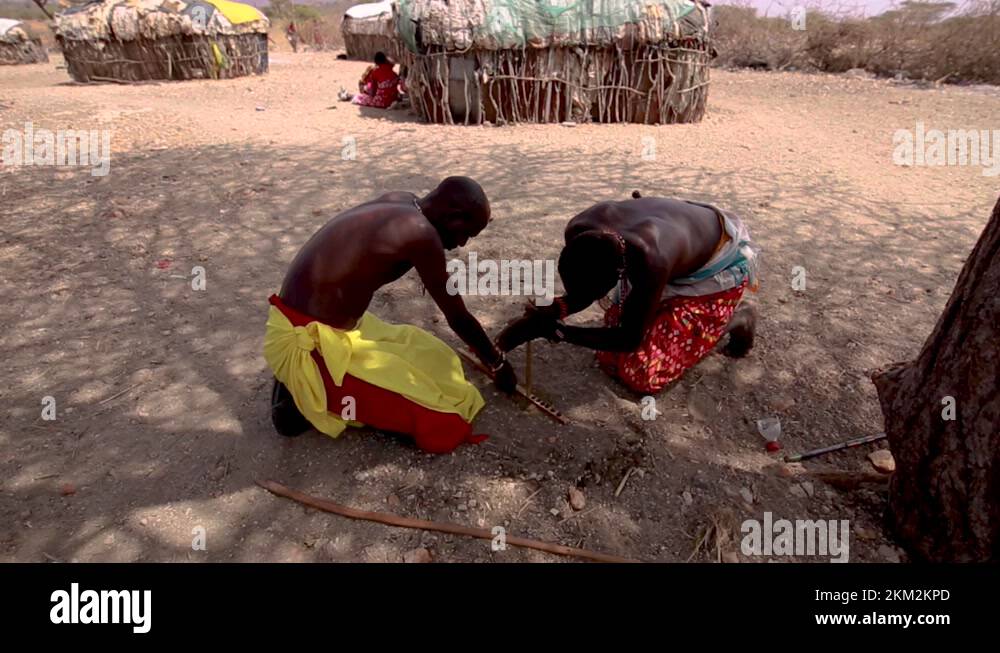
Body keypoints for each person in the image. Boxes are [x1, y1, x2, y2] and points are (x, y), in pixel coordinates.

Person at [264, 177, 517, 453]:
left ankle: (305, 379)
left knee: (436, 357)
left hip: (324, 323)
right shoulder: (421, 233)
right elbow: (458, 317)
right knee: (439, 418)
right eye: (465, 233)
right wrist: (498, 363)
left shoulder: (403, 200)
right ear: (452, 215)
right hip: (312, 335)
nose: (462, 243)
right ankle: (298, 391)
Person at [496, 194, 759, 394]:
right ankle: (669, 313)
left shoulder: (651, 260)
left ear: (621, 275)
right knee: (609, 356)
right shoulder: (581, 230)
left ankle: (736, 318)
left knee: (642, 375)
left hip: (716, 261)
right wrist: (554, 310)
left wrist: (559, 332)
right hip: (674, 240)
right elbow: (581, 292)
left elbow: (628, 339)